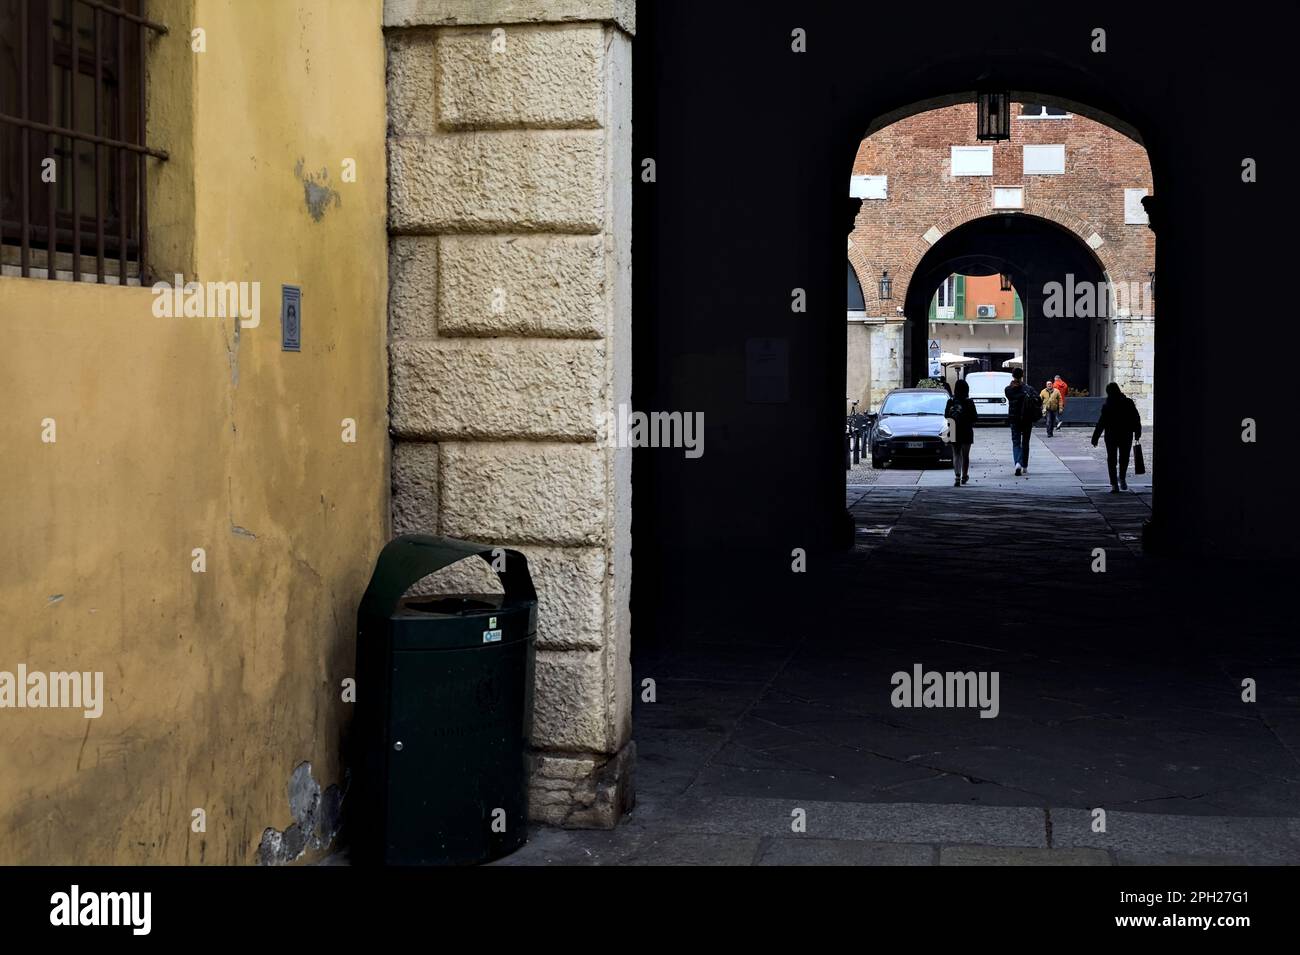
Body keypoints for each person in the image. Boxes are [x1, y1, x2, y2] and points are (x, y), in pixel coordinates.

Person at [1091, 382, 1142, 493]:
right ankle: (1122, 478)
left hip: (1111, 435)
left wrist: (1095, 437)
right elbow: (1136, 417)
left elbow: (1102, 422)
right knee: (1124, 458)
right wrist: (1138, 432)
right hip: (1126, 434)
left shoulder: (1107, 405)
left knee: (1112, 459)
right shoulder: (1128, 402)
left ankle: (1114, 484)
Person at [1004, 367, 1040, 476]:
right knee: (1025, 442)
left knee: (1016, 442)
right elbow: (1038, 399)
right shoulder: (1028, 389)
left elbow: (1010, 397)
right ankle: (1024, 465)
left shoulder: (1008, 390)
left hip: (1014, 419)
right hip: (1027, 419)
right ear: (1022, 375)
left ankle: (1018, 463)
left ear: (1013, 376)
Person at [944, 379, 978, 487]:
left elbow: (946, 415)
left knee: (956, 453)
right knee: (965, 455)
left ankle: (957, 476)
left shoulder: (950, 401)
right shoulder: (969, 402)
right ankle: (965, 475)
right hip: (966, 429)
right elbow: (975, 418)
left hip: (953, 428)